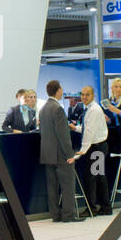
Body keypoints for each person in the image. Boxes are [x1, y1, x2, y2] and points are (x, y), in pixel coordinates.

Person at [39, 79, 82, 222]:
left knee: (52, 187)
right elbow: (63, 135)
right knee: (67, 185)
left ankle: (55, 215)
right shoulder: (58, 109)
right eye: (61, 89)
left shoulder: (44, 108)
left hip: (47, 154)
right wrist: (70, 154)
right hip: (60, 154)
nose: (62, 92)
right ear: (58, 91)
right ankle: (68, 215)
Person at [73, 85, 111, 215]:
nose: (84, 97)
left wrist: (82, 150)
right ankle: (105, 207)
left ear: (93, 95)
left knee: (91, 178)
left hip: (96, 149)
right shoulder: (89, 109)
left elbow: (90, 132)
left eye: (87, 94)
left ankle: (92, 208)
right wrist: (75, 128)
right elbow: (87, 128)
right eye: (82, 94)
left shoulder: (94, 110)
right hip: (97, 148)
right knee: (99, 177)